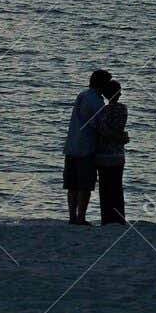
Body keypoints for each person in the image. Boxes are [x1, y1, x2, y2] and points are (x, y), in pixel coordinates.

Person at [63, 69, 111, 225]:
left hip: (72, 144)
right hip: (86, 147)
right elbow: (101, 125)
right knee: (84, 185)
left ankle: (72, 217)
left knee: (72, 185)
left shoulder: (83, 94)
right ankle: (81, 218)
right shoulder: (96, 101)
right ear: (102, 84)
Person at [94, 78, 129, 224]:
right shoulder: (123, 109)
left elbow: (102, 129)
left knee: (105, 188)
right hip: (118, 154)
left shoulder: (103, 111)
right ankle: (119, 218)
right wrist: (122, 137)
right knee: (117, 188)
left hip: (103, 155)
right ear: (118, 94)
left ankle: (107, 218)